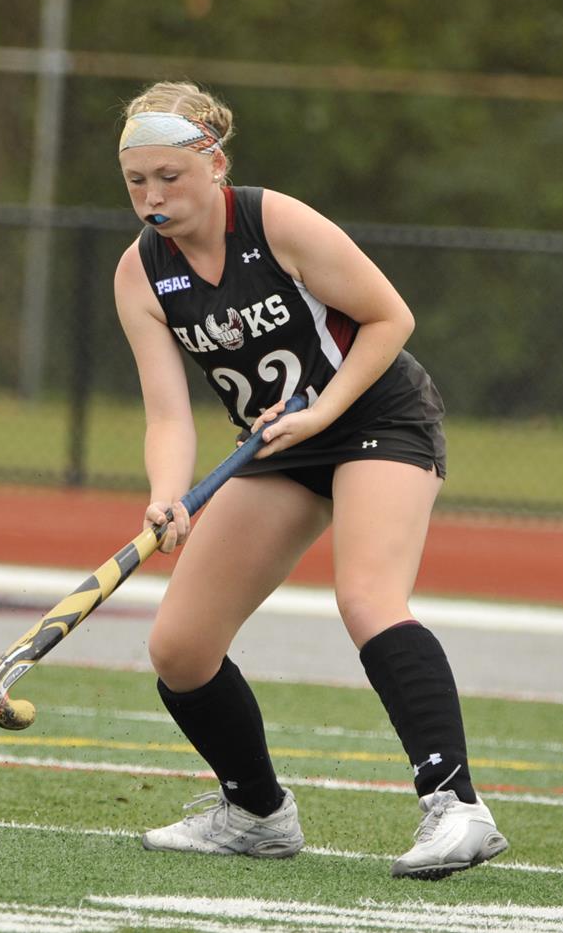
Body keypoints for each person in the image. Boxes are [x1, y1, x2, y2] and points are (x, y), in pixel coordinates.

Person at [110, 80, 509, 880]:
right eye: (135, 182)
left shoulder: (272, 220)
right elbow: (169, 414)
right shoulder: (141, 273)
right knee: (180, 648)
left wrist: (323, 410)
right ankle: (257, 813)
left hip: (376, 414)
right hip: (278, 439)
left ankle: (457, 806)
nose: (152, 198)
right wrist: (167, 494)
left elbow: (390, 317)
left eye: (169, 177)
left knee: (366, 596)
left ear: (213, 164)